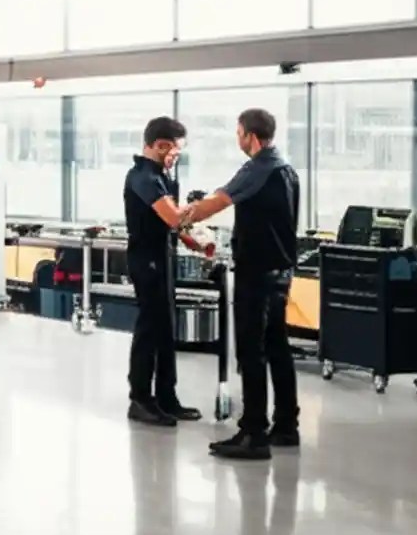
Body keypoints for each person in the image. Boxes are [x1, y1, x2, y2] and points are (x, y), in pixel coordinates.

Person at [179, 108, 300, 461]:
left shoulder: (259, 166)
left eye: (238, 133)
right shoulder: (287, 170)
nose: (238, 139)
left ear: (250, 134)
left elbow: (217, 201)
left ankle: (253, 433)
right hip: (281, 272)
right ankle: (286, 426)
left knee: (251, 350)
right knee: (277, 346)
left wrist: (180, 216)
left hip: (257, 273)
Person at [123, 116, 205, 427]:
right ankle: (140, 399)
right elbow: (172, 216)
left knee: (166, 330)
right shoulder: (143, 177)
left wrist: (193, 240)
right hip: (146, 260)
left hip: (162, 255)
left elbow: (172, 224)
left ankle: (167, 397)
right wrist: (204, 205)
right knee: (150, 328)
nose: (176, 157)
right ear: (160, 146)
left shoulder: (163, 176)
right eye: (174, 151)